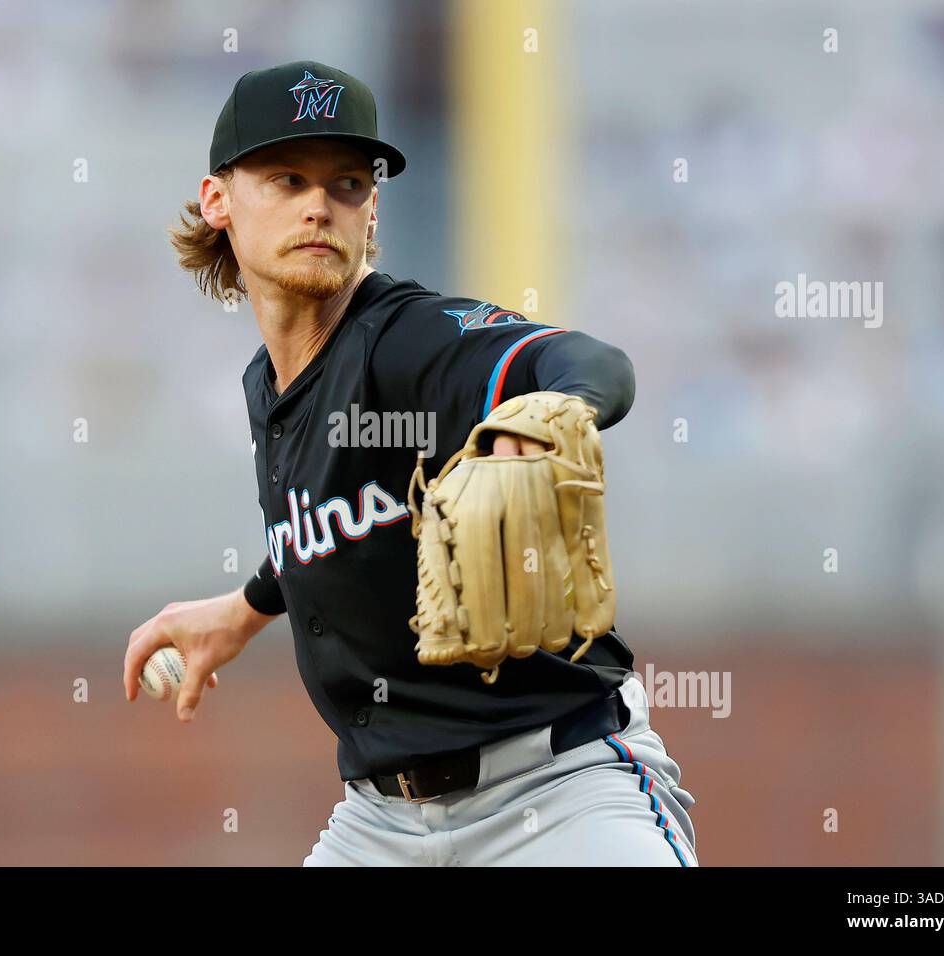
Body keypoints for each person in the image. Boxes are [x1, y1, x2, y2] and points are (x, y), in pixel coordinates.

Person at [124, 60, 698, 866]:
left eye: (348, 183)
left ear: (372, 209)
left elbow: (587, 362)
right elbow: (347, 515)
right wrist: (246, 607)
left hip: (558, 793)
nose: (320, 204)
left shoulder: (410, 342)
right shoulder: (270, 382)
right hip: (381, 826)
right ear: (218, 200)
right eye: (287, 178)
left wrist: (544, 420)